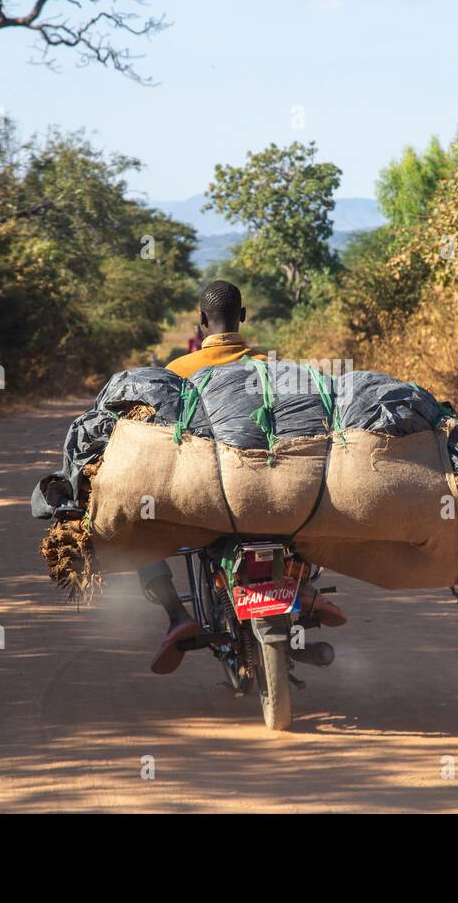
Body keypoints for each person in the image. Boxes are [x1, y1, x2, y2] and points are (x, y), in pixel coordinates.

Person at [141, 280, 346, 674]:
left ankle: (176, 616)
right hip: (268, 493)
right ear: (244, 316)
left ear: (201, 321)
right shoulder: (271, 370)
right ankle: (300, 586)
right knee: (302, 513)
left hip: (202, 500)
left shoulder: (176, 374)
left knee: (141, 527)